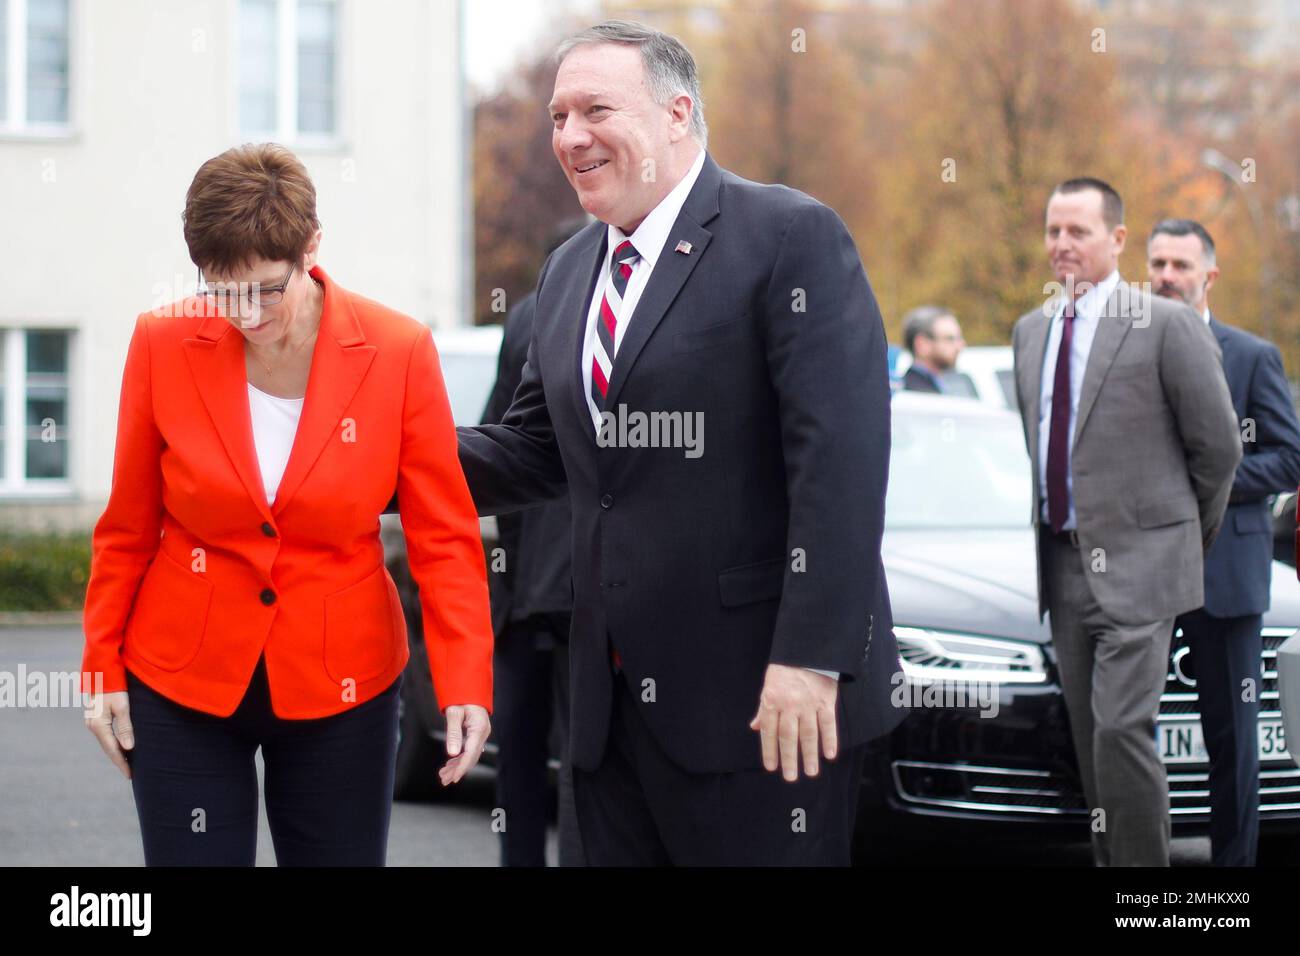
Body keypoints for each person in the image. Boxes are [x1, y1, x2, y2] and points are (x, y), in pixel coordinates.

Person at [457, 20, 902, 866]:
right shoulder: (566, 273)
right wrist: (363, 446)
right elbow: (536, 450)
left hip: (765, 709)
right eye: (557, 117)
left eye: (595, 110)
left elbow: (839, 467)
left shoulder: (787, 238)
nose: (570, 136)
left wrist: (810, 658)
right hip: (606, 715)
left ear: (676, 114)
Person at [80, 143, 493, 866]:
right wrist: (100, 669)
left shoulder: (397, 351)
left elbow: (444, 536)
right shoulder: (161, 343)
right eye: (221, 290)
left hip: (346, 683)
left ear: (311, 249)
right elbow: (127, 529)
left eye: (266, 289)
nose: (245, 313)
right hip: (182, 680)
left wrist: (465, 681)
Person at [1010, 177, 1240, 866]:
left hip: (1142, 570)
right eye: (1053, 231)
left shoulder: (1164, 325)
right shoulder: (1031, 332)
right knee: (1090, 745)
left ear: (1116, 240)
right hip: (1062, 565)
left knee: (1120, 734)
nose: (1061, 245)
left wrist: (1177, 544)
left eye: (1077, 232)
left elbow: (1219, 449)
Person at [1148, 218, 1300, 866]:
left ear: (1209, 275)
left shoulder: (1251, 356)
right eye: (1157, 264)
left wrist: (1211, 478)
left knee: (1233, 744)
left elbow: (1289, 459)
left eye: (1180, 266)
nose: (1166, 277)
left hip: (1227, 579)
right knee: (1125, 735)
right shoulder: (1124, 351)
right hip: (1142, 577)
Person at [483, 220, 588, 866]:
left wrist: (513, 576)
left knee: (519, 749)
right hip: (584, 583)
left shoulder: (525, 316)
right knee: (585, 753)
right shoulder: (613, 303)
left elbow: (504, 435)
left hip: (529, 587)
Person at [901, 305, 964, 393]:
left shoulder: (931, 386)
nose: (960, 346)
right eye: (950, 339)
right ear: (922, 344)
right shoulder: (918, 396)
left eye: (959, 338)